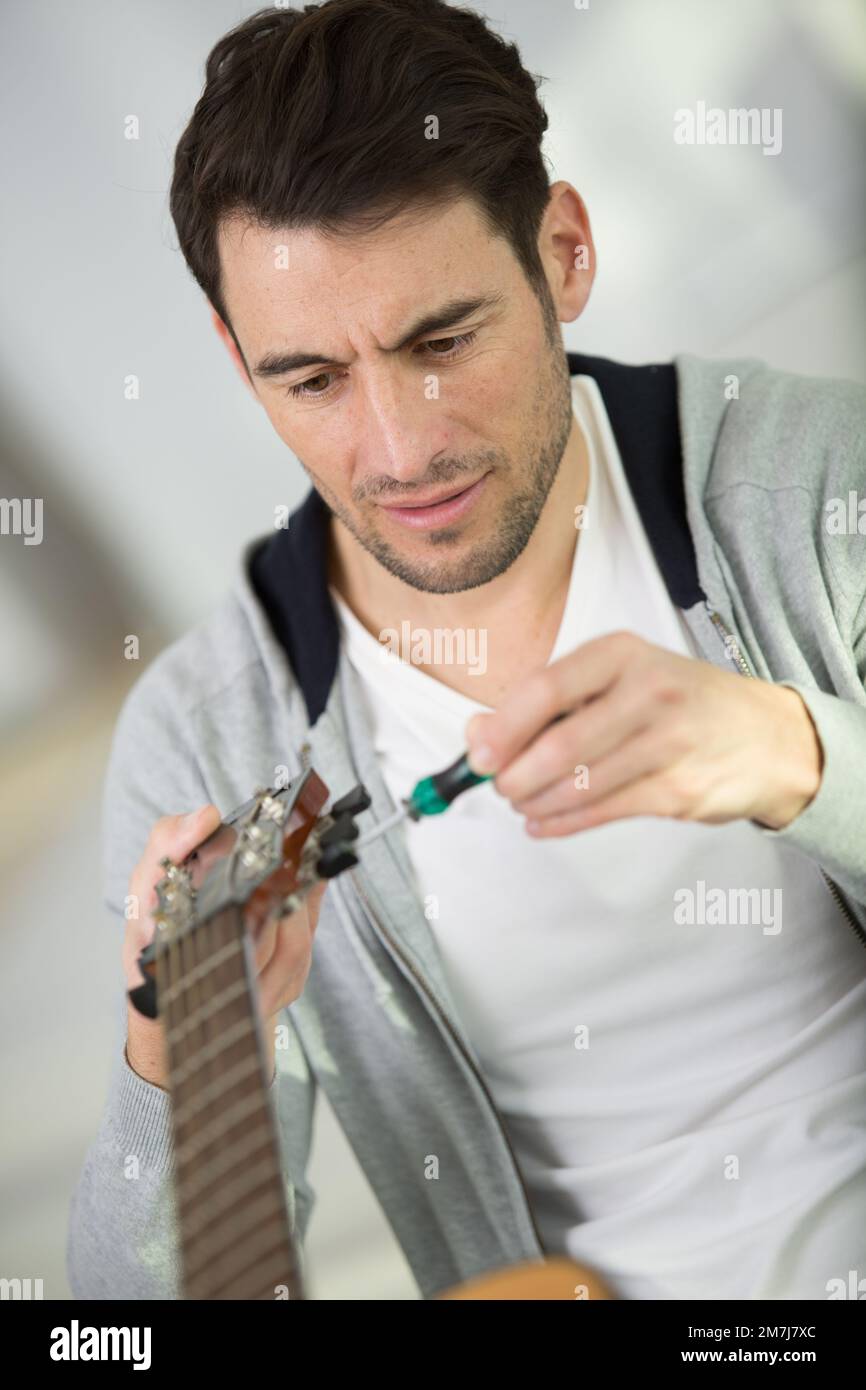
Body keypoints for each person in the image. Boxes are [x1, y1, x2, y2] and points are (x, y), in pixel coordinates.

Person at [68, 0, 866, 1301]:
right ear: (235, 360)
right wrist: (174, 1059)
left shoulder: (819, 488)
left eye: (442, 341)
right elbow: (130, 1331)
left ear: (562, 251)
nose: (398, 449)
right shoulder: (202, 740)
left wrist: (799, 756)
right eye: (311, 379)